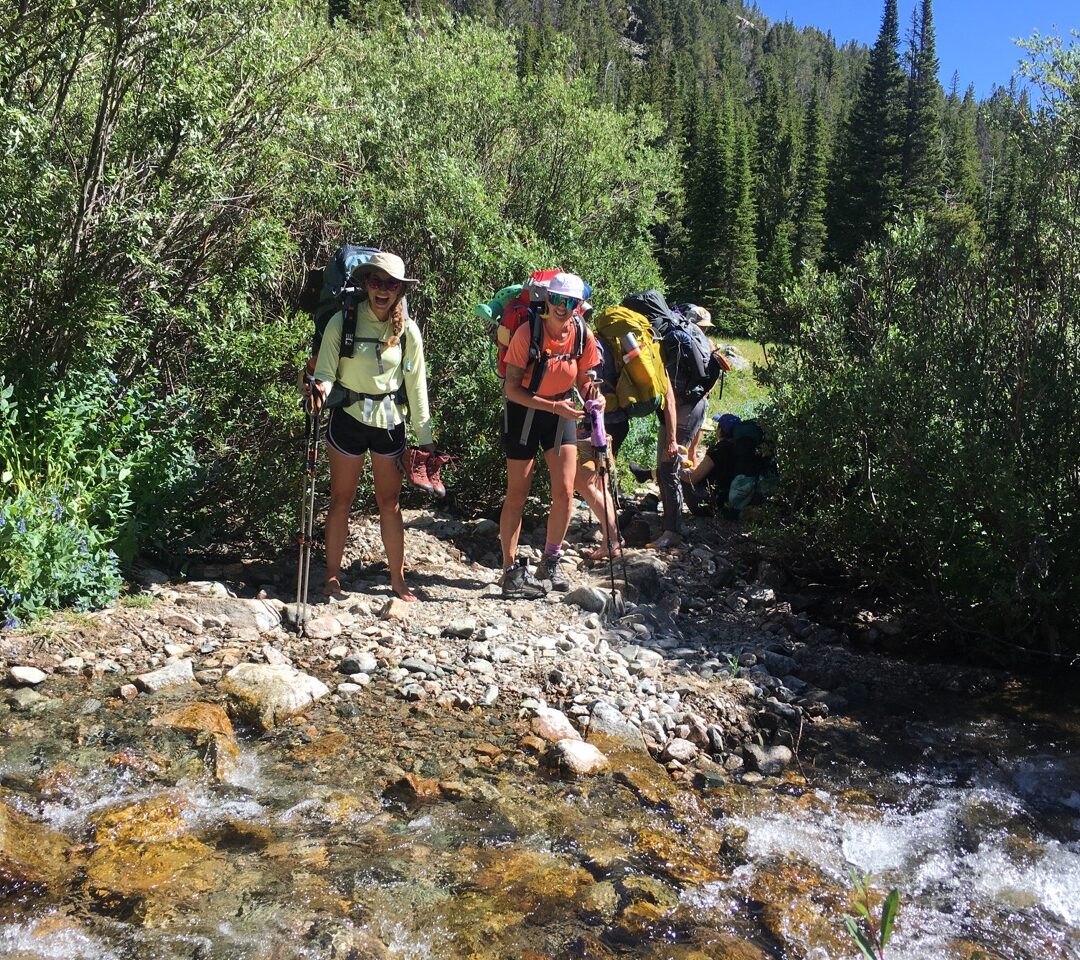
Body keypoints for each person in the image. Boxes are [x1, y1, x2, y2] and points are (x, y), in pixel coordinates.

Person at [309, 251, 433, 602]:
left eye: (391, 285)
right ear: (366, 283)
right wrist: (318, 390)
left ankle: (398, 580)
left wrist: (425, 438)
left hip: (389, 423)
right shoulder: (343, 322)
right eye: (377, 282)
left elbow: (417, 386)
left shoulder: (408, 331)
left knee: (389, 502)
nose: (383, 290)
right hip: (348, 418)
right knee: (341, 500)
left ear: (400, 290)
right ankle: (332, 578)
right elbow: (326, 373)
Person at [500, 273, 603, 598]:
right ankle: (509, 571)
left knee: (565, 493)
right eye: (558, 299)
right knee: (517, 494)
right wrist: (553, 406)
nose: (562, 307)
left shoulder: (582, 334)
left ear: (578, 305)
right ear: (547, 299)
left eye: (570, 302)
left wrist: (594, 397)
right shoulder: (527, 333)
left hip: (562, 414)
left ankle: (550, 562)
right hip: (525, 415)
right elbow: (511, 389)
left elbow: (585, 379)